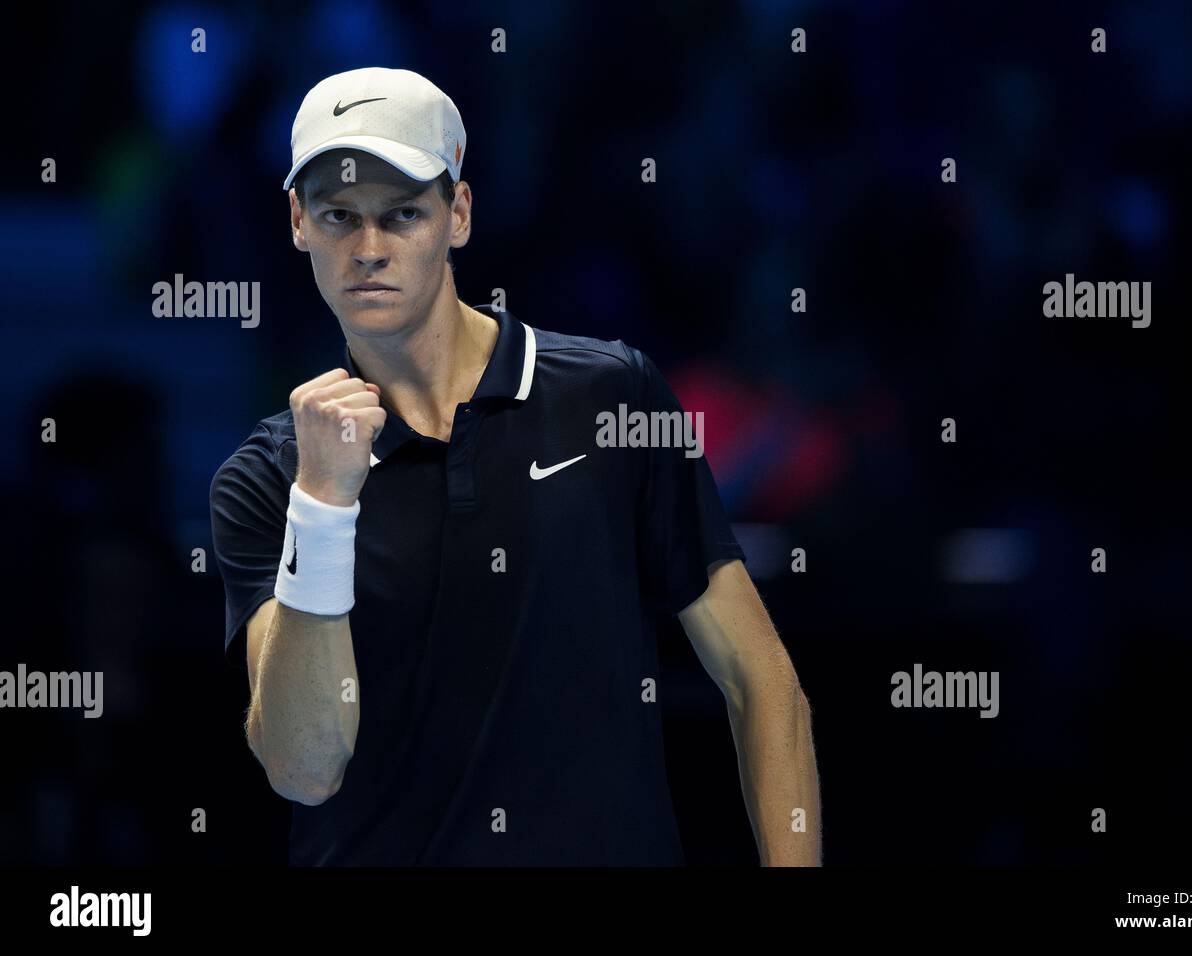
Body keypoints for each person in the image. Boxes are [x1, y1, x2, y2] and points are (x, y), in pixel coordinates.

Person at [209, 66, 821, 865]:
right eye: (338, 216)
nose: (368, 249)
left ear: (457, 214)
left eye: (402, 215)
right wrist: (323, 504)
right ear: (298, 221)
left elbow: (760, 677)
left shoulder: (612, 393)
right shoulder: (269, 476)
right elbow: (304, 766)